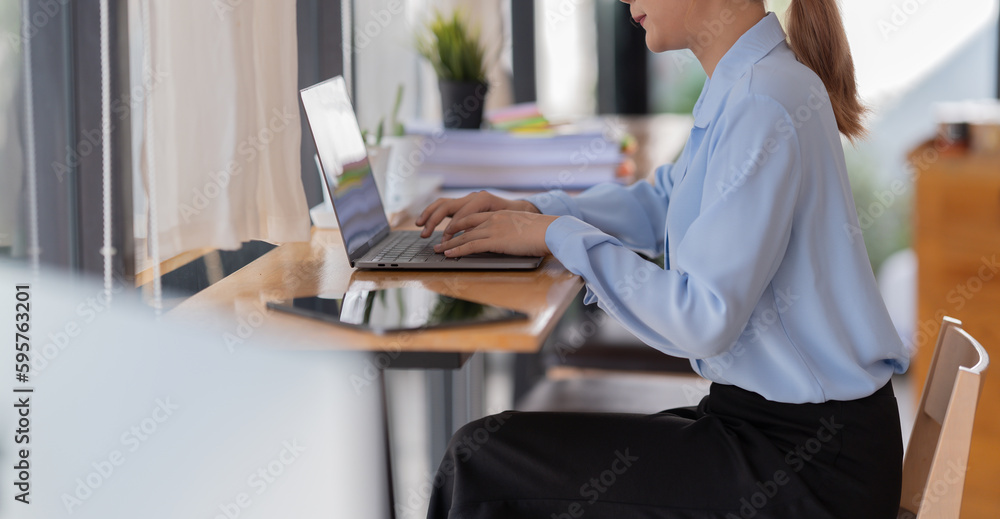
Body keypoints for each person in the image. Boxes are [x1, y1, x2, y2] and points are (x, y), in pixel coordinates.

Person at [415, 0, 909, 517]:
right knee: (488, 455)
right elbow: (665, 201)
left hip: (807, 469)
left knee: (478, 462)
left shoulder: (763, 100)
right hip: (783, 435)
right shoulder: (752, 84)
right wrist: (533, 213)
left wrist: (558, 236)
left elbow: (702, 318)